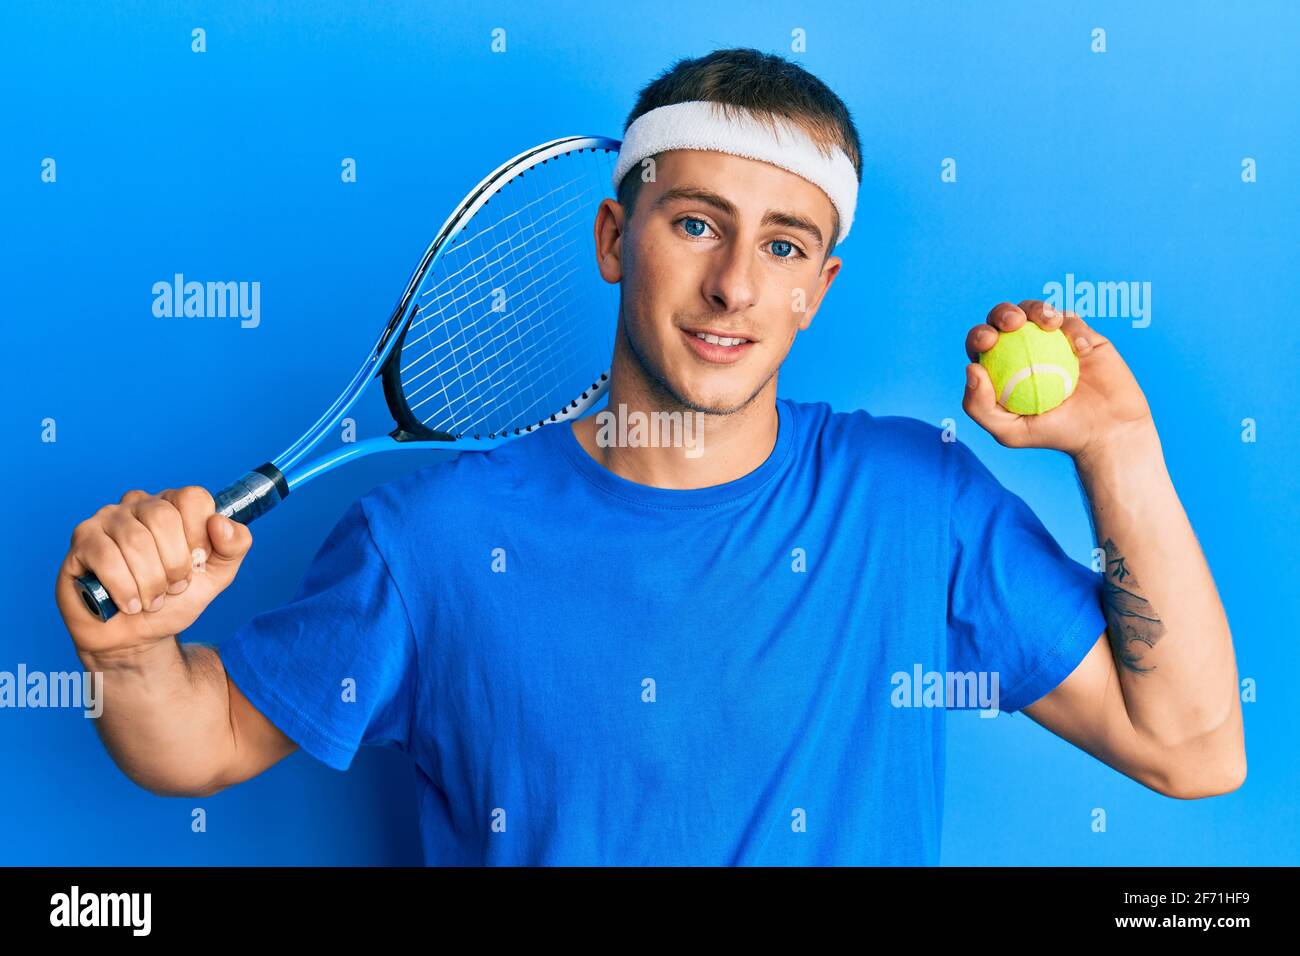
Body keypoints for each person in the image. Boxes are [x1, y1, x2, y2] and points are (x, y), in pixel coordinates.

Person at [56, 48, 1245, 865]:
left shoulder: (911, 501)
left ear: (817, 290)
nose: (733, 282)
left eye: (783, 246)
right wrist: (132, 647)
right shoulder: (431, 539)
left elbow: (1190, 746)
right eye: (695, 223)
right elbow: (198, 741)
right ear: (614, 236)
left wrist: (1117, 448)